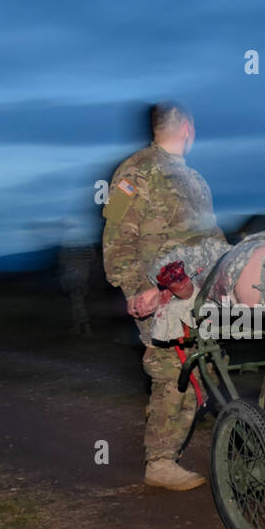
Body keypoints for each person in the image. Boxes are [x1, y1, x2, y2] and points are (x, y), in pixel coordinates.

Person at [101, 101, 226, 491]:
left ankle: (199, 441)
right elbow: (116, 237)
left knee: (202, 365)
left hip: (198, 290)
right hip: (157, 293)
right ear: (186, 126)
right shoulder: (134, 172)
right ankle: (159, 461)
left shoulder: (195, 181)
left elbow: (212, 238)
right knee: (172, 370)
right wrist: (135, 288)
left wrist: (234, 268)